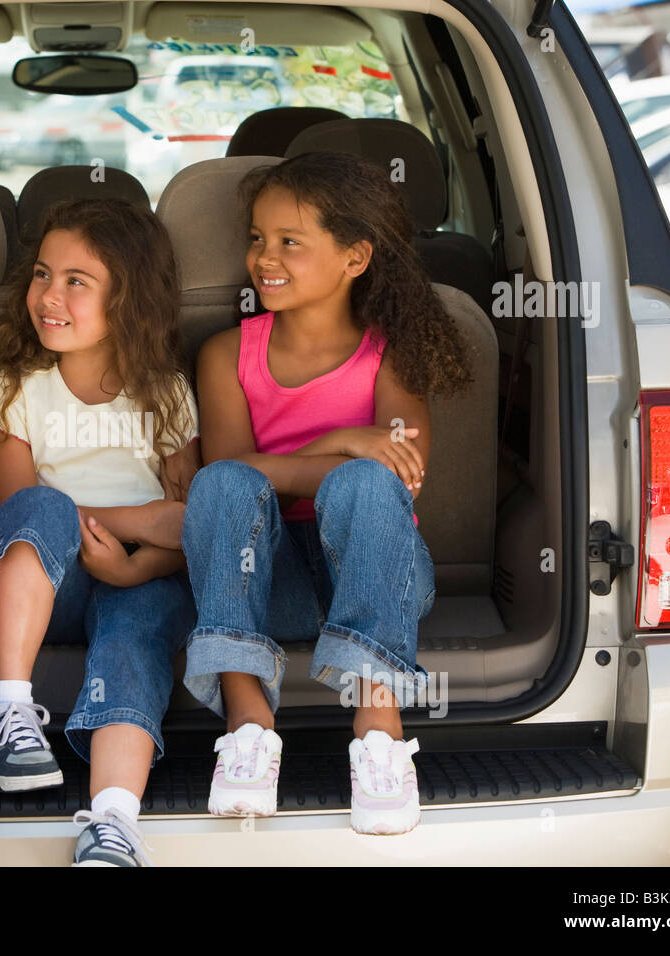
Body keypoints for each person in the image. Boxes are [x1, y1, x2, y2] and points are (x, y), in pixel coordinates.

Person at [181, 150, 473, 834]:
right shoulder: (227, 355)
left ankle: (379, 732)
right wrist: (342, 439)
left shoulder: (390, 354)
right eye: (257, 238)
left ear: (355, 257)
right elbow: (227, 479)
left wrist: (322, 462)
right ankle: (248, 726)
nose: (265, 256)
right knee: (226, 486)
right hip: (270, 579)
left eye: (290, 242)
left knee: (368, 485)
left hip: (375, 573)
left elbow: (400, 476)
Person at [0, 198, 200, 865]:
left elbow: (185, 531)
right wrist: (140, 520)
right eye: (41, 273)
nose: (48, 295)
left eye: (76, 281)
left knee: (136, 637)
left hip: (140, 580)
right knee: (44, 509)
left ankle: (115, 822)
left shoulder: (168, 392)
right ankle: (9, 711)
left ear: (129, 300)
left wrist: (138, 560)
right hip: (49, 586)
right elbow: (24, 514)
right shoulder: (15, 390)